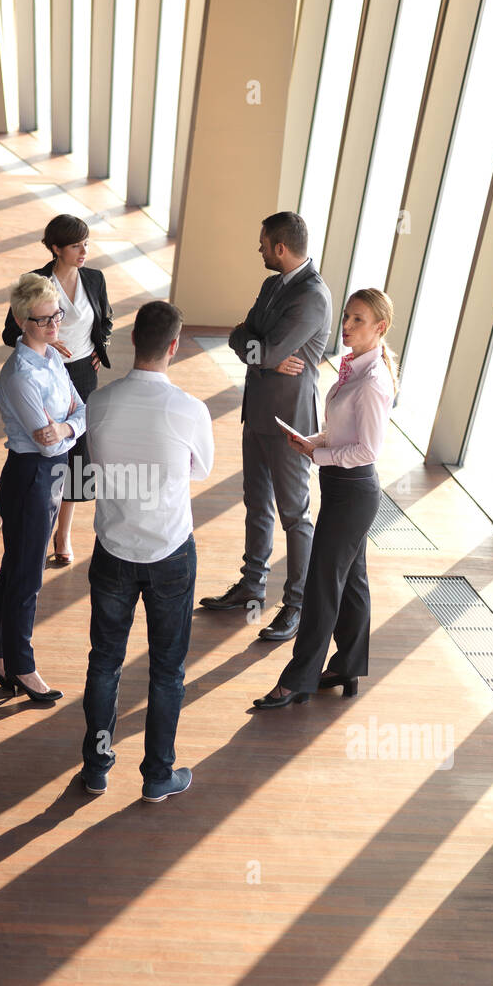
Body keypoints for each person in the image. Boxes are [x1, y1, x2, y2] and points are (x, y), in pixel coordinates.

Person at [79, 301, 214, 802]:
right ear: (174, 347)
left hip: (113, 548)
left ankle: (95, 767)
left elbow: (94, 462)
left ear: (133, 342)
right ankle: (158, 774)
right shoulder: (189, 410)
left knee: (105, 661)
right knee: (166, 669)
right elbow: (200, 470)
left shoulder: (100, 403)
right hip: (169, 553)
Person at [252, 288, 398, 711]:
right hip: (340, 486)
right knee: (351, 582)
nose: (347, 326)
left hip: (353, 493)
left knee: (321, 586)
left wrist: (317, 454)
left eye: (357, 320)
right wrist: (312, 442)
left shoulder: (372, 382)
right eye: (347, 317)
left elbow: (368, 451)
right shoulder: (354, 369)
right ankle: (348, 664)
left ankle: (298, 678)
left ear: (380, 328)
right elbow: (343, 433)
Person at [200, 211, 331, 642]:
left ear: (280, 247)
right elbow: (242, 335)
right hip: (257, 410)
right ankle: (252, 585)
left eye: (262, 243)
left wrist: (262, 350)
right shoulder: (272, 284)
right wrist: (260, 352)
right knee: (256, 503)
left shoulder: (313, 296)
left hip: (290, 420)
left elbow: (265, 344)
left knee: (295, 514)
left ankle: (295, 604)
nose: (258, 249)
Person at [0, 214, 113, 571]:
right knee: (29, 453)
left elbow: (104, 320)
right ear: (55, 249)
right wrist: (48, 345)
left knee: (78, 458)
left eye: (86, 243)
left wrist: (100, 346)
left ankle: (62, 534)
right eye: (75, 245)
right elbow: (11, 332)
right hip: (44, 371)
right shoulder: (35, 286)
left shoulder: (94, 279)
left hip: (82, 372)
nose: (84, 250)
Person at [0, 273, 86, 704]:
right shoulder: (20, 375)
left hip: (49, 474)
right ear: (22, 322)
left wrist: (66, 426)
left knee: (17, 569)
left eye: (56, 314)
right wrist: (66, 428)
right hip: (31, 478)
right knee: (27, 577)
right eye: (43, 320)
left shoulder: (52, 358)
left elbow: (81, 412)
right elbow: (47, 440)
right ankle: (21, 665)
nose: (55, 325)